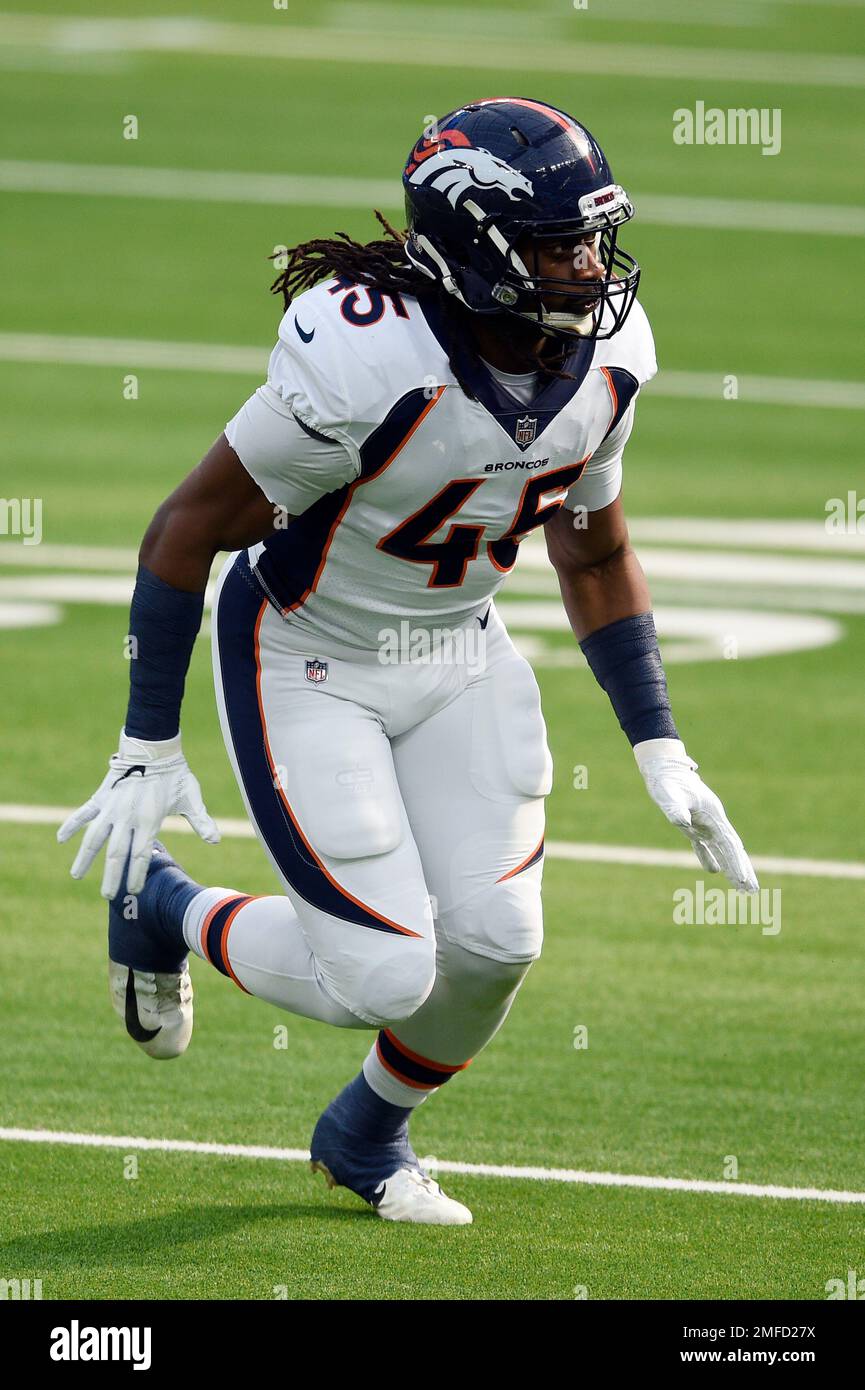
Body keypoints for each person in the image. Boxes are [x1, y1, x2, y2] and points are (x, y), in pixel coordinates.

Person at [58, 97, 757, 1226]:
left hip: (460, 650)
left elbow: (593, 546)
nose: (588, 268)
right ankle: (162, 902)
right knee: (383, 975)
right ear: (475, 245)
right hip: (307, 654)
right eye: (555, 244)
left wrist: (657, 738)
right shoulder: (369, 355)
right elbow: (186, 528)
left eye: (592, 238)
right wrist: (146, 740)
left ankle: (366, 1135)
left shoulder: (610, 356)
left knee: (493, 943)